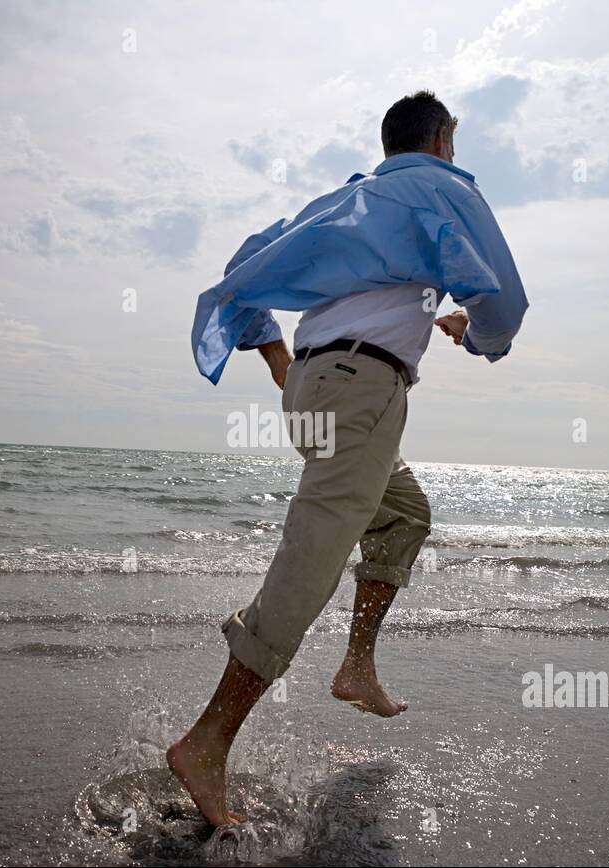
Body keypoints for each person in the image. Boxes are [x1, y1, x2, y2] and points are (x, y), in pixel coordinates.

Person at [170, 90, 529, 826]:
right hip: (363, 388)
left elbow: (245, 266)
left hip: (318, 387)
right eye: (453, 146)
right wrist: (480, 335)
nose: (455, 159)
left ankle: (356, 664)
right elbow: (507, 298)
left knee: (404, 514)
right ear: (439, 139)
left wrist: (278, 358)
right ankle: (208, 740)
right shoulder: (440, 187)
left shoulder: (344, 201)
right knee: (314, 554)